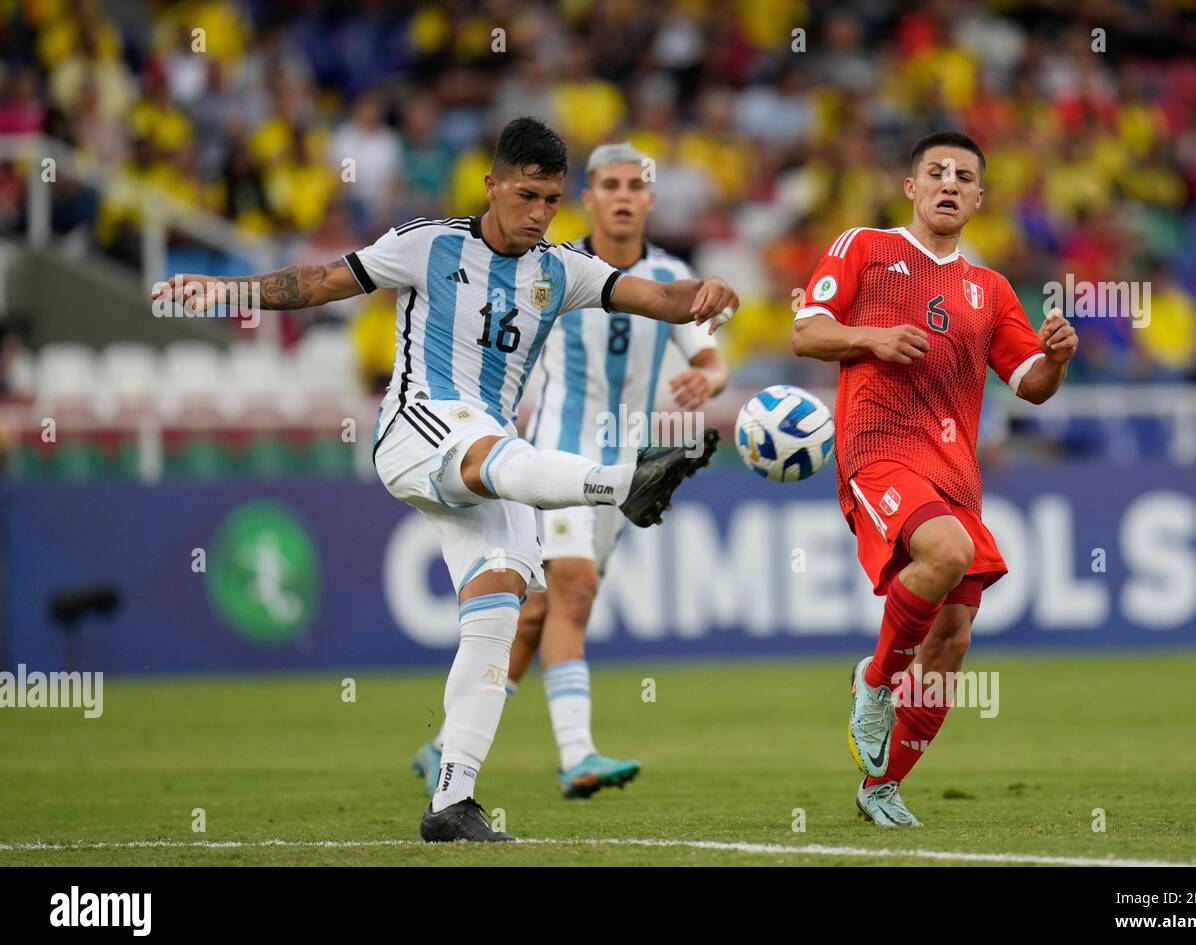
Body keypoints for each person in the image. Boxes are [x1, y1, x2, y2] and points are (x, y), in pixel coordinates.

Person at [153, 117, 739, 842]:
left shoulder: (559, 271)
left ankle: (452, 798)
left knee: (501, 605)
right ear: (492, 185)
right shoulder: (428, 245)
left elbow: (662, 301)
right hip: (417, 429)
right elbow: (319, 283)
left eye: (551, 200)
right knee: (501, 454)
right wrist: (227, 291)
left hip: (487, 456)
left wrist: (708, 294)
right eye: (526, 194)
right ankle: (624, 484)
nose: (537, 213)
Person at [414, 143, 729, 800]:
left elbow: (709, 354)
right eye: (608, 184)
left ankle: (447, 745)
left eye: (634, 186)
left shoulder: (670, 274)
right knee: (576, 592)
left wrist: (706, 377)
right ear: (590, 196)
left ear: (649, 198)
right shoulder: (552, 270)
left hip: (627, 469)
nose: (621, 196)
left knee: (536, 617)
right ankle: (578, 756)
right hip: (554, 459)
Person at [791, 131, 1077, 827]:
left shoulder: (991, 288)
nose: (949, 183)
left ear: (979, 198)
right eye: (935, 172)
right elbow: (807, 332)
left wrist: (1059, 358)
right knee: (944, 553)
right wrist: (873, 338)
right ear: (911, 188)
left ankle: (881, 787)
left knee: (951, 640)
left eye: (964, 176)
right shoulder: (863, 247)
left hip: (955, 477)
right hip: (879, 450)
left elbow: (1029, 383)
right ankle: (876, 679)